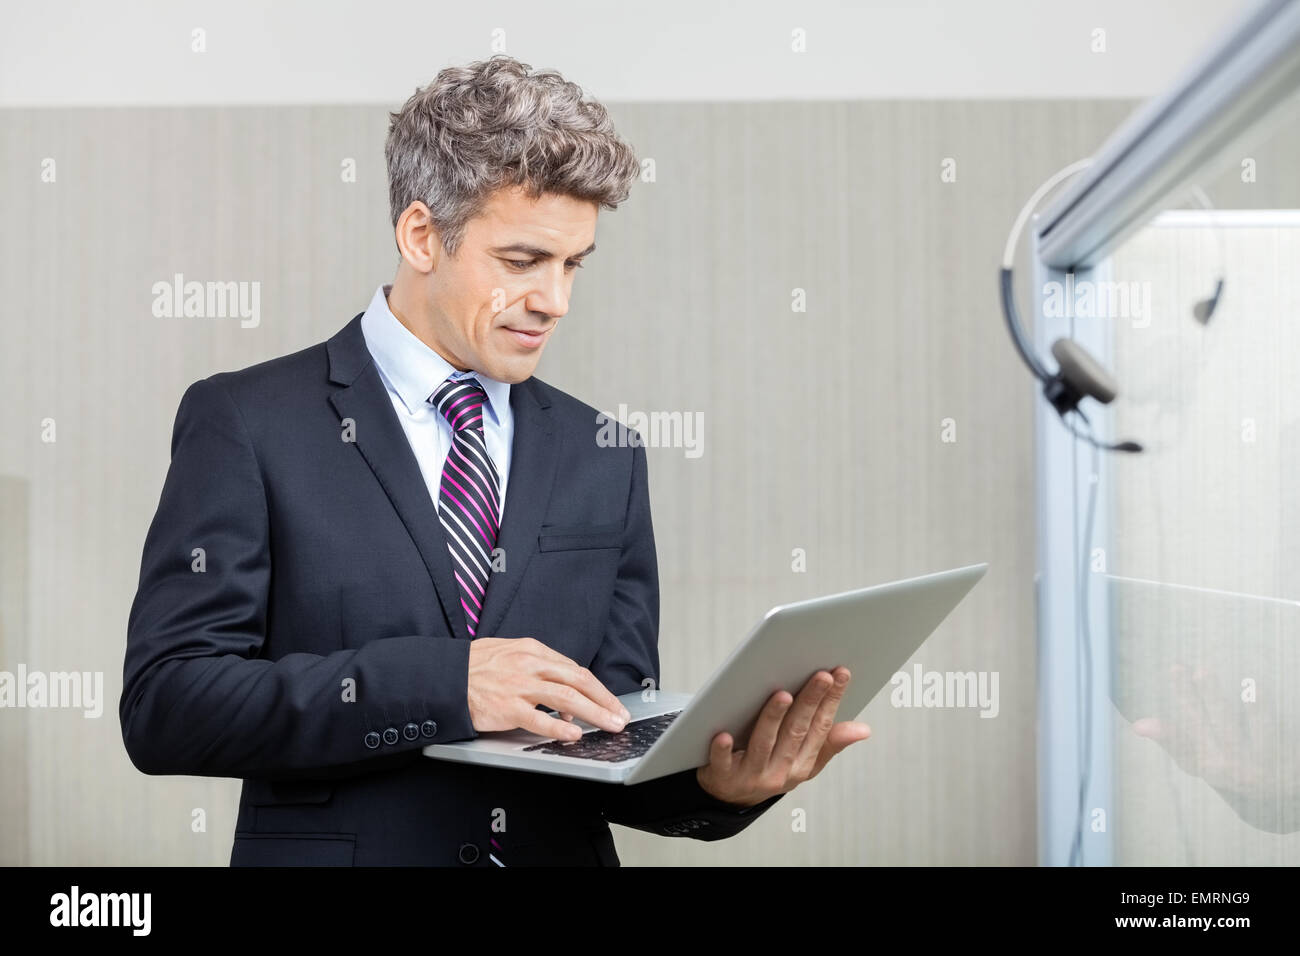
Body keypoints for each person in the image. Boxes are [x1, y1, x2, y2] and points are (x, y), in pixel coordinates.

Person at [120, 54, 871, 866]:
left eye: (572, 263)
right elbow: (169, 705)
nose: (556, 300)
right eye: (522, 262)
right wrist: (446, 685)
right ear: (420, 235)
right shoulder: (247, 420)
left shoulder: (603, 453)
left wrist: (723, 786)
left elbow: (604, 735)